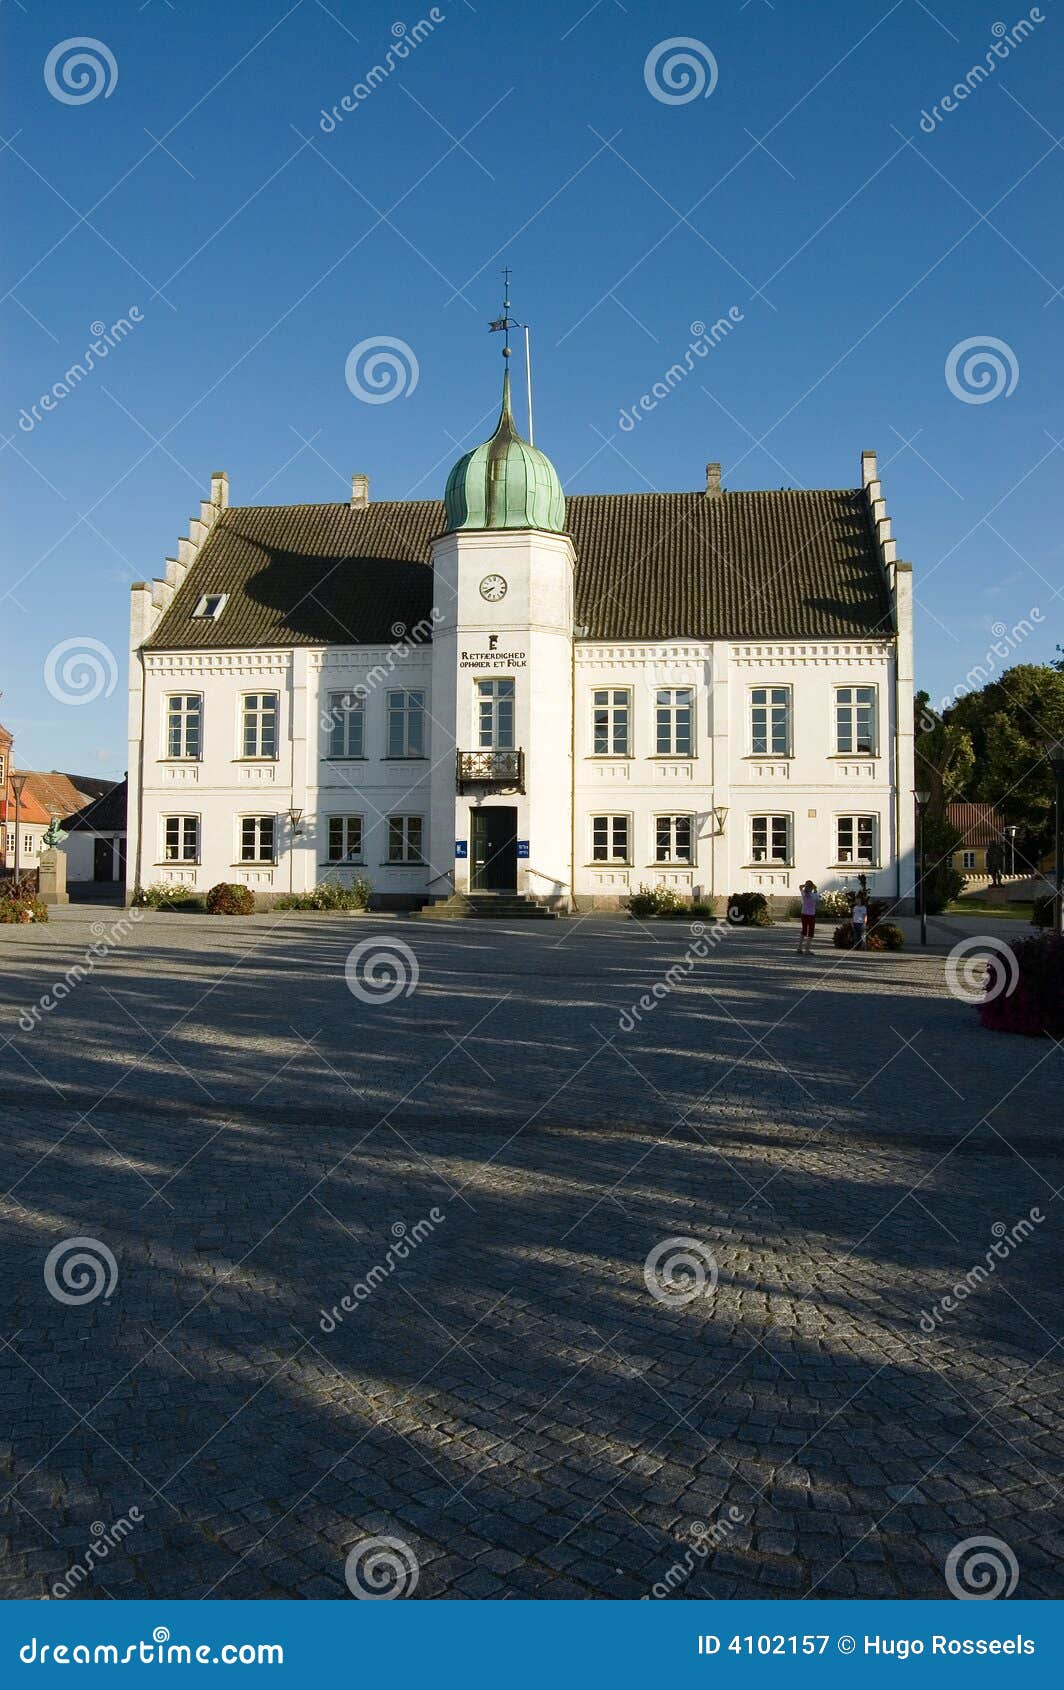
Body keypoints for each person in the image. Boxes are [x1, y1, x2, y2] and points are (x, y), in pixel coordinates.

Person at [797, 880, 818, 954]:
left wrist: (804, 885)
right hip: (811, 915)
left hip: (804, 914)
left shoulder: (803, 893)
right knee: (811, 932)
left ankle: (799, 947)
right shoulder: (814, 895)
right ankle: (807, 949)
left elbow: (800, 887)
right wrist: (815, 888)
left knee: (804, 930)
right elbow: (817, 899)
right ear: (812, 888)